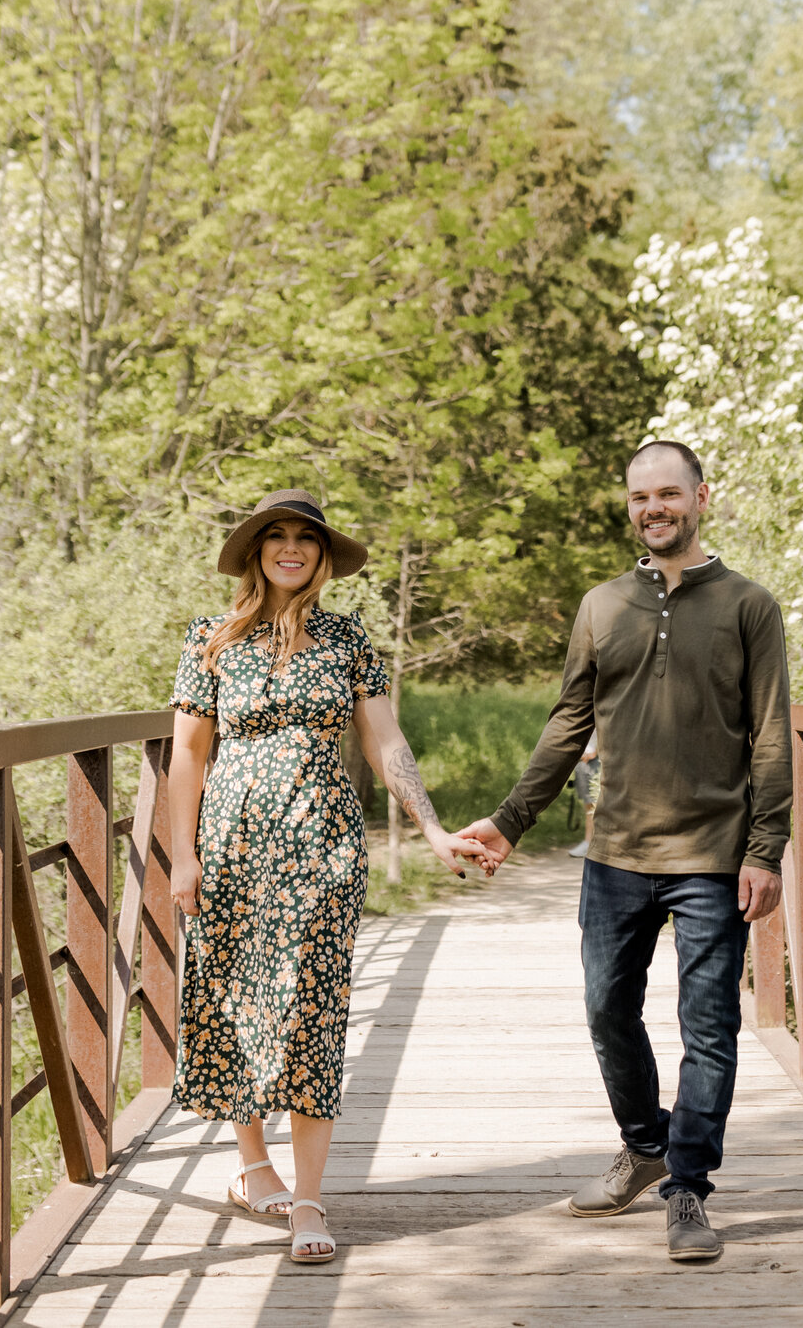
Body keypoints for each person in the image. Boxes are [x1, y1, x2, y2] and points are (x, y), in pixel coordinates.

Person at [460, 441, 791, 1263]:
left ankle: (687, 1187)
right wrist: (510, 820)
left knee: (708, 1028)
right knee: (608, 1009)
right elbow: (569, 722)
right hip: (614, 852)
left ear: (701, 497)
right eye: (641, 497)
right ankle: (644, 1146)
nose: (654, 508)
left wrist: (766, 848)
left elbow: (773, 734)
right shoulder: (602, 605)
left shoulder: (750, 605)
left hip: (713, 856)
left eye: (669, 493)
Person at [167, 489, 489, 1264]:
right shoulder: (210, 639)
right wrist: (182, 853)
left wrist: (434, 828)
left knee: (313, 1011)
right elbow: (188, 753)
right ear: (255, 552)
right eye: (274, 536)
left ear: (320, 555)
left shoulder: (345, 640)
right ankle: (253, 1165)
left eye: (303, 538)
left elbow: (385, 742)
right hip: (233, 850)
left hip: (322, 851)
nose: (289, 548)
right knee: (235, 1003)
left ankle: (309, 1198)